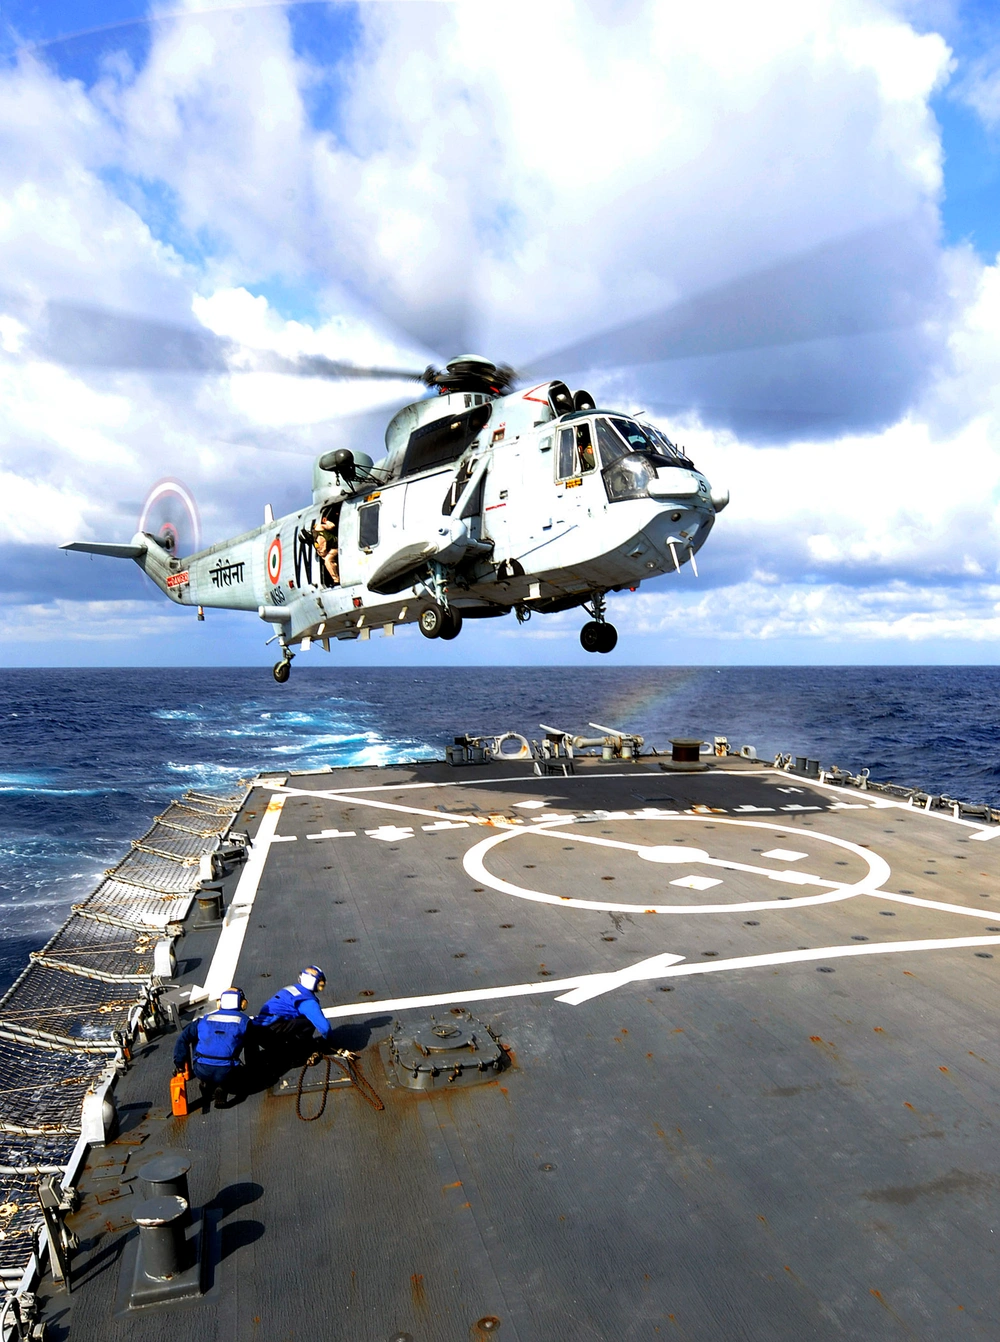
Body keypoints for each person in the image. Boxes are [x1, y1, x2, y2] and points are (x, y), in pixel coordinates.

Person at [173, 987, 249, 1111]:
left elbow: (183, 1039)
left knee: (196, 1037)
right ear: (242, 1004)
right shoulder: (245, 1022)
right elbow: (252, 1047)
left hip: (201, 1070)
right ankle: (223, 1088)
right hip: (228, 1073)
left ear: (220, 1003)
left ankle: (206, 1083)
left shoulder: (203, 1020)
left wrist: (179, 1064)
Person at [252, 966, 335, 1051]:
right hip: (270, 1033)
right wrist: (328, 1042)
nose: (323, 984)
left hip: (258, 1028)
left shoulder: (293, 988)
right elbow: (325, 1028)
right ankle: (300, 1048)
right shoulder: (308, 1001)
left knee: (296, 1018)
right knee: (309, 1021)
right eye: (320, 983)